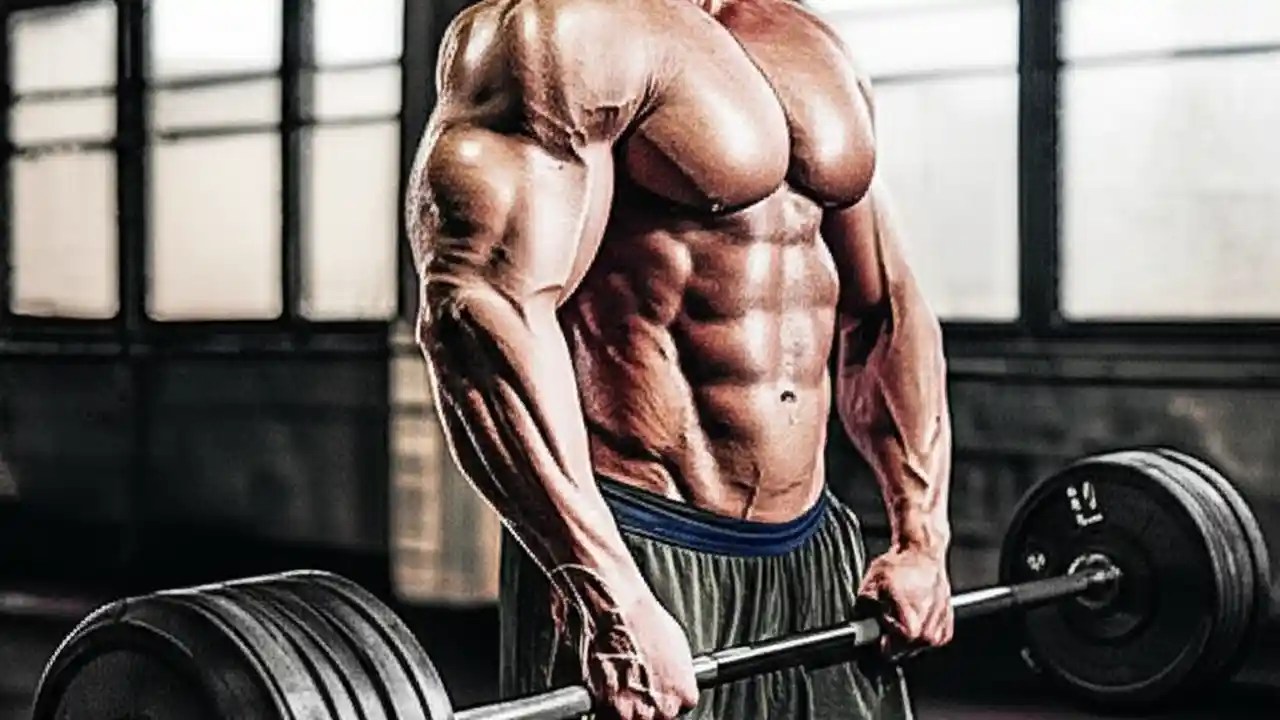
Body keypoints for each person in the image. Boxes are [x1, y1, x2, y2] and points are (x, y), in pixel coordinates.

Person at [406, 0, 954, 717]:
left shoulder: (813, 44)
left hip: (816, 556)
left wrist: (921, 536)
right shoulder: (555, 34)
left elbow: (885, 307)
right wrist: (610, 591)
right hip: (645, 550)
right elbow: (478, 311)